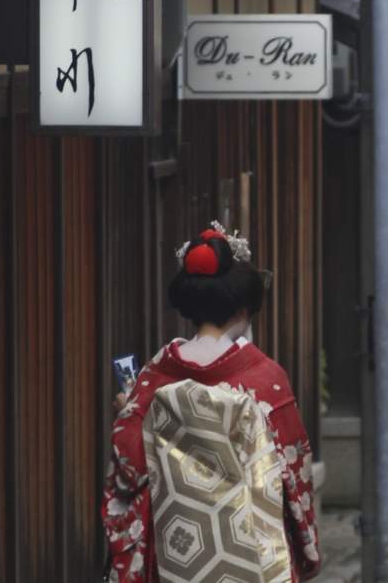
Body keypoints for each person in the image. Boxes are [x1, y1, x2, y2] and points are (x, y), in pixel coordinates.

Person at [101, 222, 322, 583]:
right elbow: (294, 479)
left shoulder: (155, 375)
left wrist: (129, 413)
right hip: (251, 558)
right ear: (244, 308)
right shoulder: (267, 379)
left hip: (174, 555)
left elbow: (128, 473)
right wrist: (307, 549)